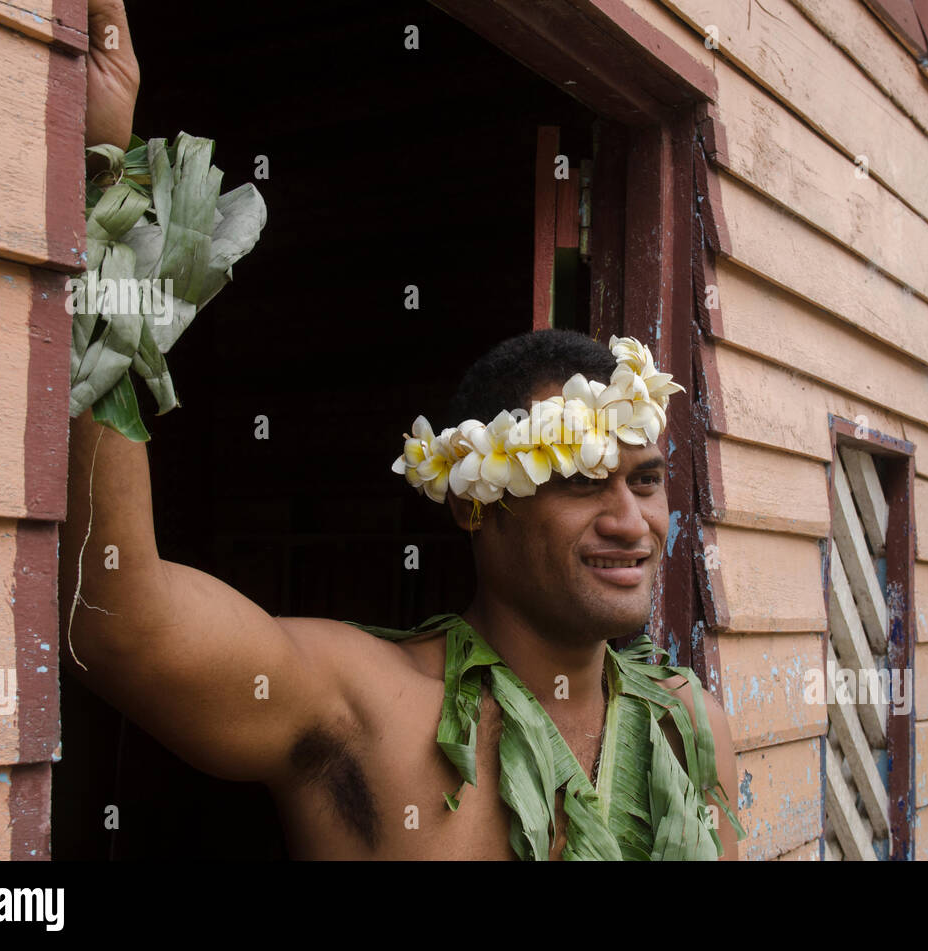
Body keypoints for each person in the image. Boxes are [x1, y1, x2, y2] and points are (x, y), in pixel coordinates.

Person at [63, 0, 741, 861]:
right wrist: (106, 178)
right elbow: (121, 621)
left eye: (644, 479)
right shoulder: (359, 706)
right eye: (578, 479)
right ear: (475, 504)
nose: (629, 519)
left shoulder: (690, 726)